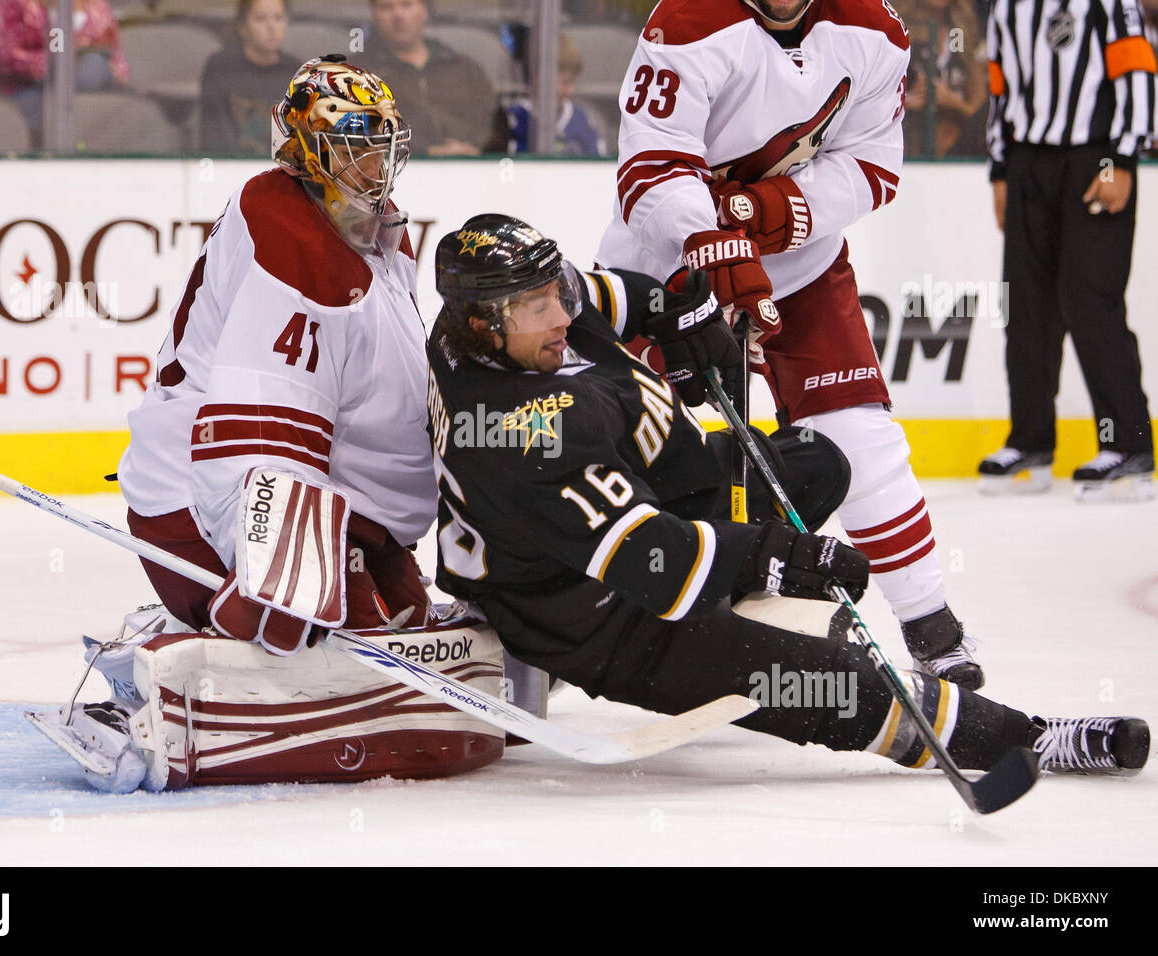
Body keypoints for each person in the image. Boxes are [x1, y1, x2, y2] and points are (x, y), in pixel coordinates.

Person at [427, 212, 1150, 780]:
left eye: (557, 293)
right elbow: (659, 567)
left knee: (816, 462)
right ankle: (1030, 737)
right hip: (602, 617)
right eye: (537, 305)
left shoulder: (515, 317)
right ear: (486, 323)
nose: (562, 313)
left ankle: (745, 603)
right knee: (829, 684)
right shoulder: (518, 433)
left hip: (640, 507)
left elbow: (634, 295)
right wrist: (779, 559)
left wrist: (687, 320)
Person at [27, 56, 504, 792]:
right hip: (209, 500)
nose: (377, 162)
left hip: (327, 501)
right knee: (343, 632)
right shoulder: (289, 229)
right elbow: (259, 427)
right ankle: (185, 657)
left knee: (412, 623)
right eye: (354, 143)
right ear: (307, 151)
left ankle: (285, 622)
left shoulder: (372, 230)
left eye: (383, 141)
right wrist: (282, 561)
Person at [593, 0, 991, 692]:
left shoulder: (876, 30)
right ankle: (567, 621)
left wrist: (774, 211)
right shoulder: (687, 21)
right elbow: (649, 171)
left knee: (863, 437)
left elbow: (871, 165)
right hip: (671, 265)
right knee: (612, 439)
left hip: (803, 264)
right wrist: (709, 240)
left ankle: (932, 629)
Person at [980, 0, 1155, 501]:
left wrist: (1120, 157)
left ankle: (1128, 444)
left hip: (1095, 155)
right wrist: (1000, 170)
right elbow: (999, 84)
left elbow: (1137, 67)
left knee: (1090, 300)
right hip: (1027, 161)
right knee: (1025, 304)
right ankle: (1031, 442)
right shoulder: (1006, 6)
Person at [360, 0, 497, 155]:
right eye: (386, 7)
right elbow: (356, 134)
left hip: (475, 169)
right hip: (392, 171)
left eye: (406, 5)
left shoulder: (465, 69)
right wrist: (422, 151)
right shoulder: (359, 74)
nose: (398, 15)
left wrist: (476, 149)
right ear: (373, 14)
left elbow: (494, 124)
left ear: (424, 10)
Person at [0, 0, 128, 144]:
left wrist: (116, 70)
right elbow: (7, 58)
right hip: (35, 90)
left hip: (90, 86)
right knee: (86, 88)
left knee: (94, 67)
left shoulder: (97, 3)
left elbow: (114, 53)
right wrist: (57, 61)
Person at [199, 0, 298, 155]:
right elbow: (214, 136)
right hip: (231, 169)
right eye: (261, 19)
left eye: (278, 18)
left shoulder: (296, 72)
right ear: (242, 27)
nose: (272, 27)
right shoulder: (221, 68)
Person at [897, 0, 988, 158]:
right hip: (906, 153)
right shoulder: (897, 30)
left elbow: (981, 114)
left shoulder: (959, 35)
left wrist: (951, 101)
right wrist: (908, 101)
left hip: (960, 155)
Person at [504, 33, 606, 156]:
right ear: (539, 78)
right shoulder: (514, 120)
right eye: (565, 83)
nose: (571, 91)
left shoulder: (582, 120)